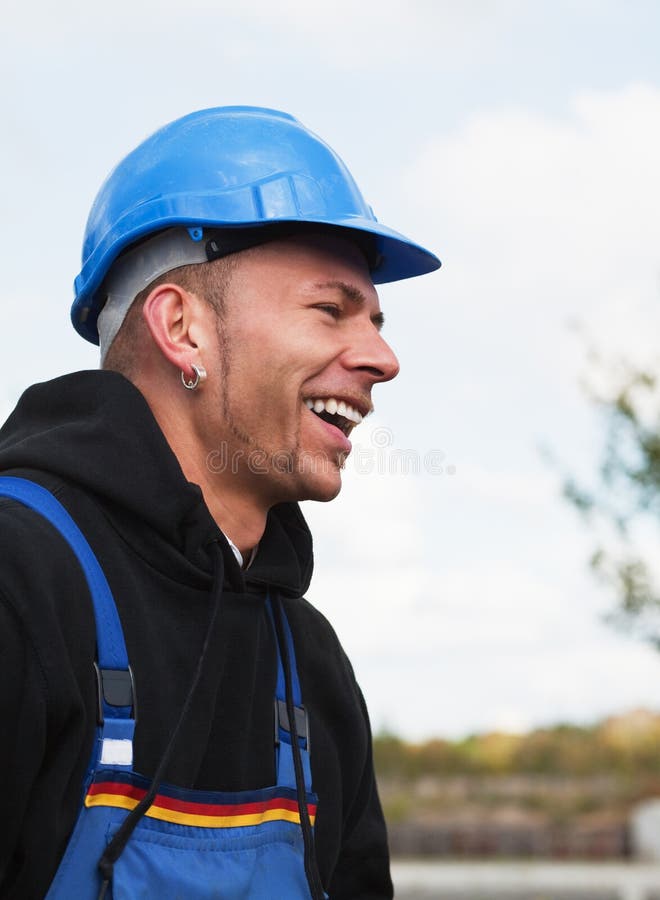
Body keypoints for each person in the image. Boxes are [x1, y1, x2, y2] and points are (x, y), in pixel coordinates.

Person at [0, 106, 439, 899]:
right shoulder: (19, 582)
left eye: (375, 320)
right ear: (183, 328)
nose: (382, 358)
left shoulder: (309, 662)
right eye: (330, 309)